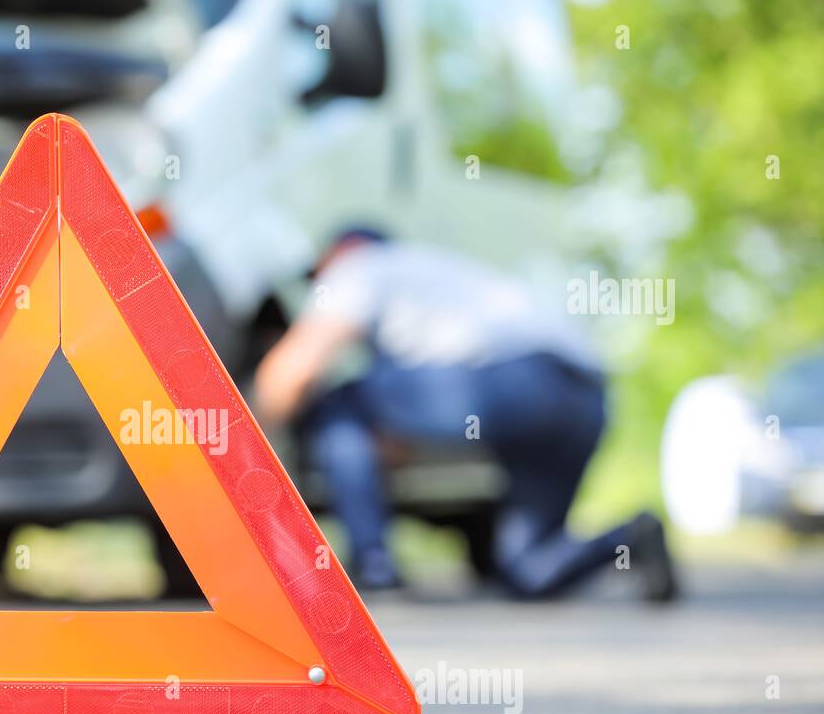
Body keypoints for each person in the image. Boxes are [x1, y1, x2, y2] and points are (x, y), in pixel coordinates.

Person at [253, 229, 677, 601]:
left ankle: (373, 563)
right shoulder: (446, 278)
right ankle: (630, 538)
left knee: (337, 403)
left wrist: (244, 447)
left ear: (340, 252)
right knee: (527, 569)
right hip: (584, 399)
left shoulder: (361, 265)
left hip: (511, 379)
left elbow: (292, 374)